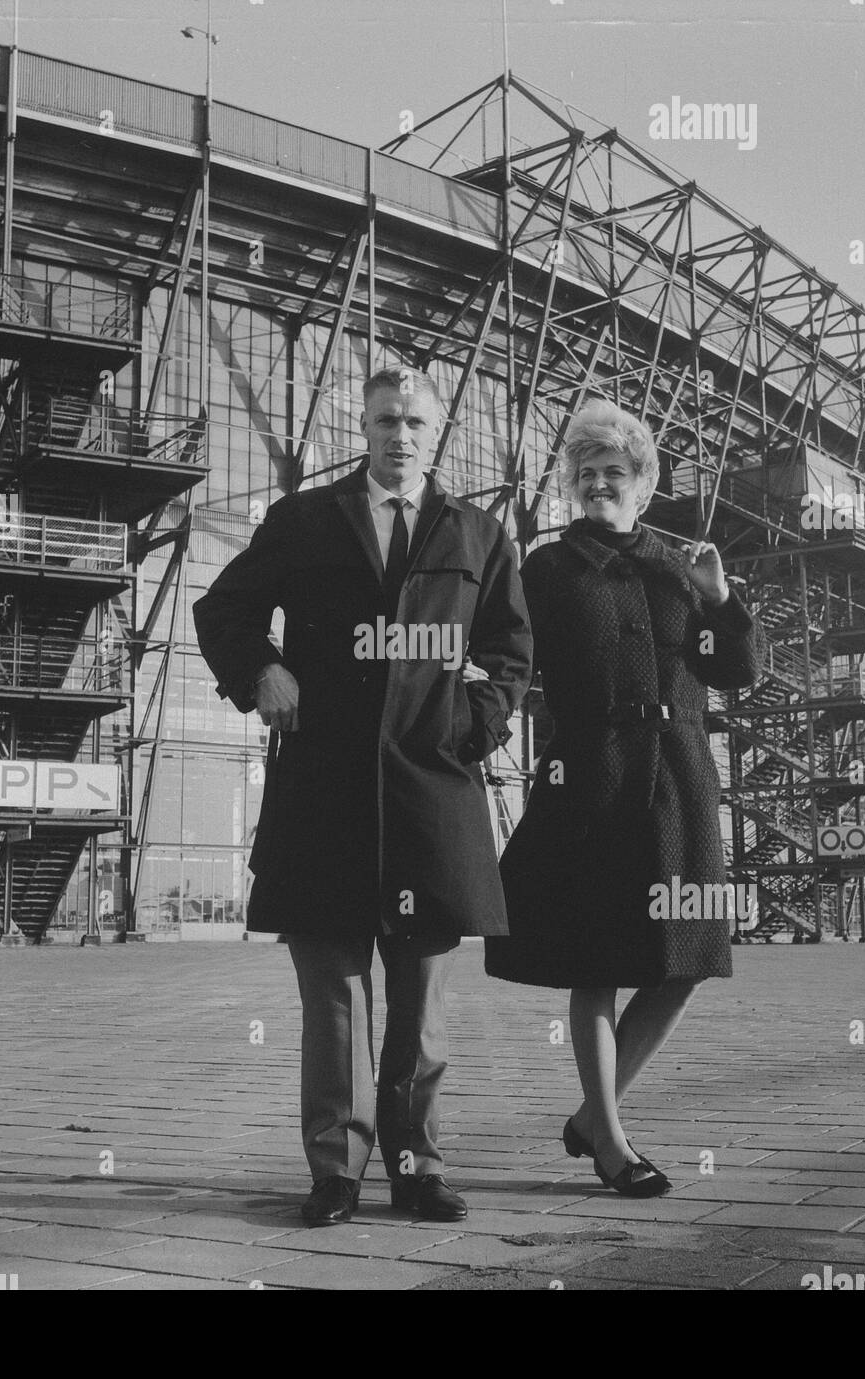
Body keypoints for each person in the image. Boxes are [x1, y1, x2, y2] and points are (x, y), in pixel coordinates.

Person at [193, 366, 532, 1226]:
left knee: (419, 1004)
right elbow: (221, 609)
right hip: (325, 793)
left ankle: (415, 1166)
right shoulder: (303, 520)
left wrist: (473, 722)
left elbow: (513, 650)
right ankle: (336, 1171)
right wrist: (260, 669)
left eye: (416, 421)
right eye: (386, 419)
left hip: (430, 791)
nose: (401, 435)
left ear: (435, 431)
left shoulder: (481, 536)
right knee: (335, 999)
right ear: (365, 425)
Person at [485, 399, 764, 1197]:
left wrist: (718, 601)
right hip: (591, 782)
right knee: (597, 962)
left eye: (616, 472)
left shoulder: (681, 567)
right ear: (573, 485)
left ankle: (589, 1117)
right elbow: (505, 651)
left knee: (687, 957)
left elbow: (734, 670)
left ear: (644, 485)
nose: (600, 483)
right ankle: (610, 1141)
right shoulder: (545, 566)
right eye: (587, 473)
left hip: (678, 781)